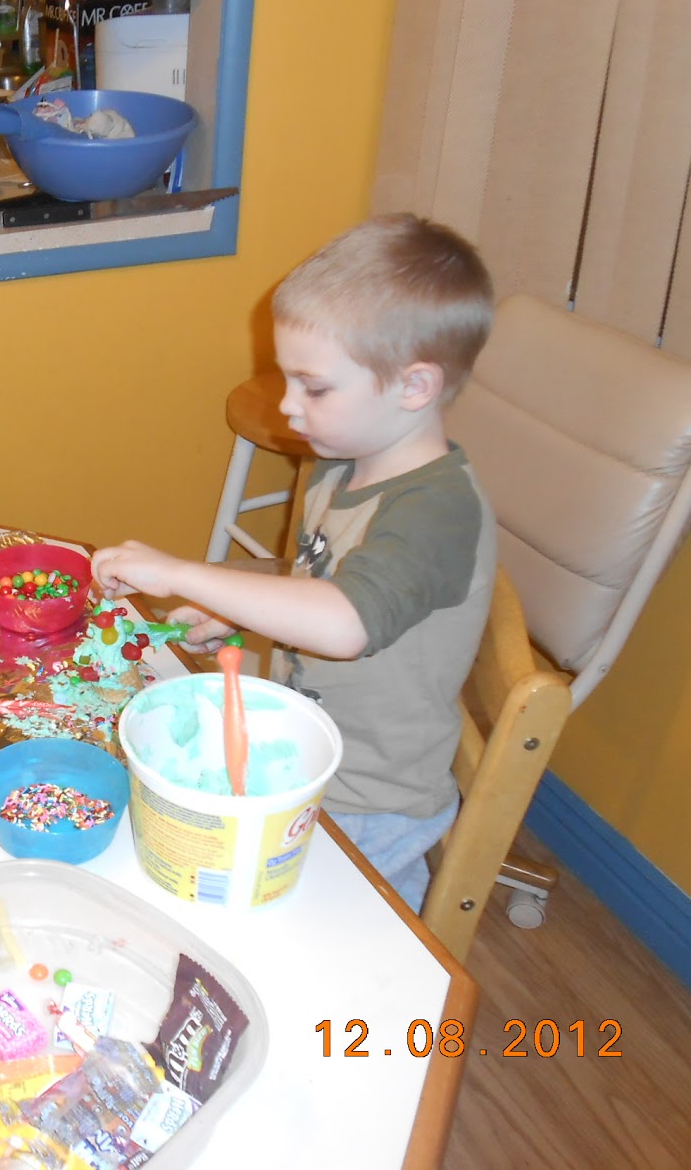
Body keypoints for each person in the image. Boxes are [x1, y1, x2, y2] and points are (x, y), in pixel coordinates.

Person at [92, 213, 497, 912]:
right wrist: (228, 610)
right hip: (302, 766)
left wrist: (183, 573)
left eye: (314, 387)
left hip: (368, 802)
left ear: (414, 387)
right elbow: (312, 582)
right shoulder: (342, 465)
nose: (287, 407)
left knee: (334, 949)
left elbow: (344, 622)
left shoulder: (438, 513)